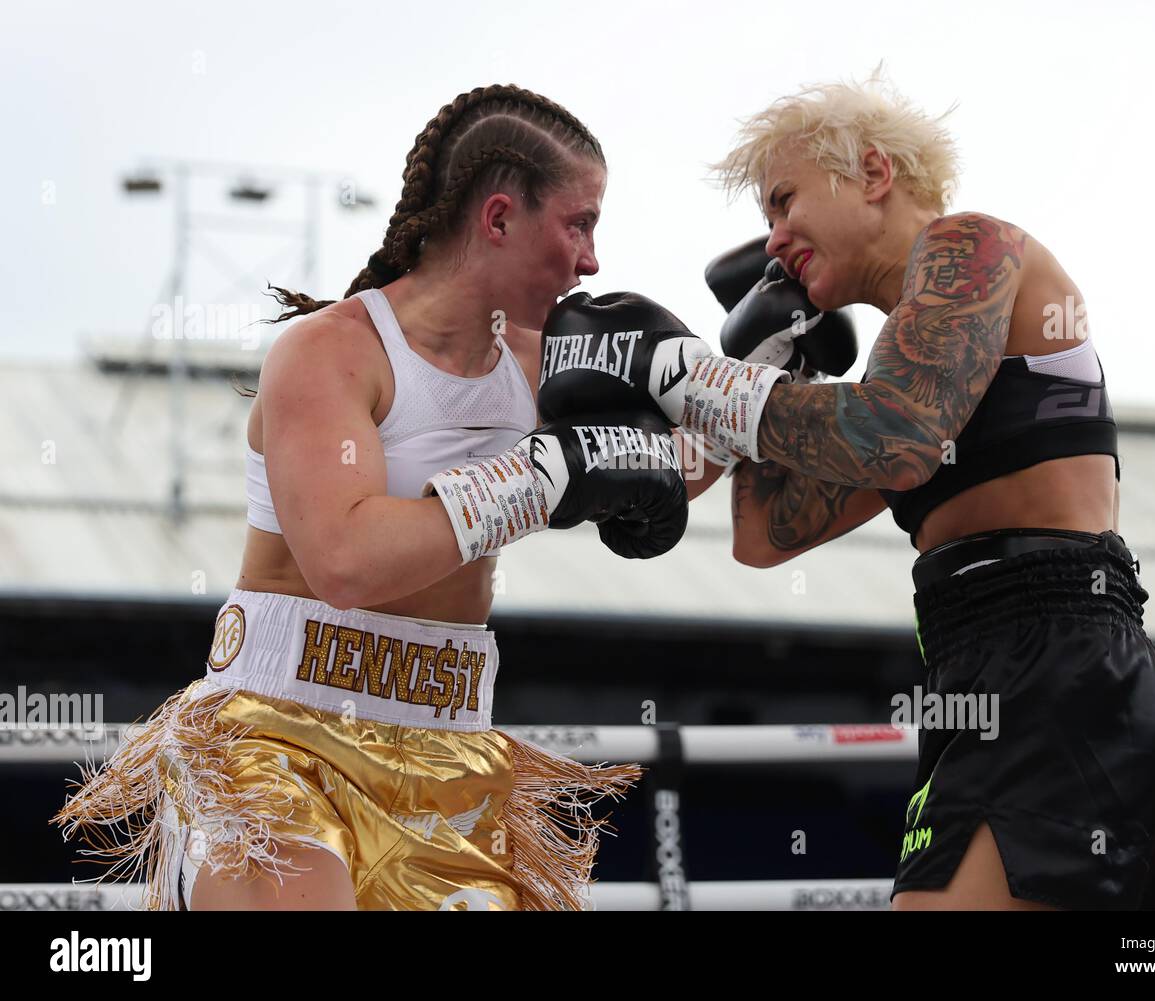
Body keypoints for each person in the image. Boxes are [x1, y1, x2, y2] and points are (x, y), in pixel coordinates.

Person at [535, 72, 1155, 911]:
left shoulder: (972, 246)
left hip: (1062, 673)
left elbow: (891, 436)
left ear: (874, 174)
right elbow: (766, 536)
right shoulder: (910, 365)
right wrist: (778, 363)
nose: (776, 240)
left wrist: (681, 373)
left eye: (785, 202)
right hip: (990, 676)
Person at [53, 84, 696, 912]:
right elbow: (346, 561)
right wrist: (548, 474)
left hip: (446, 748)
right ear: (498, 219)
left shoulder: (543, 370)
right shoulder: (329, 355)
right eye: (580, 223)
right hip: (276, 734)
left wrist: (748, 368)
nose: (592, 261)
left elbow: (666, 469)